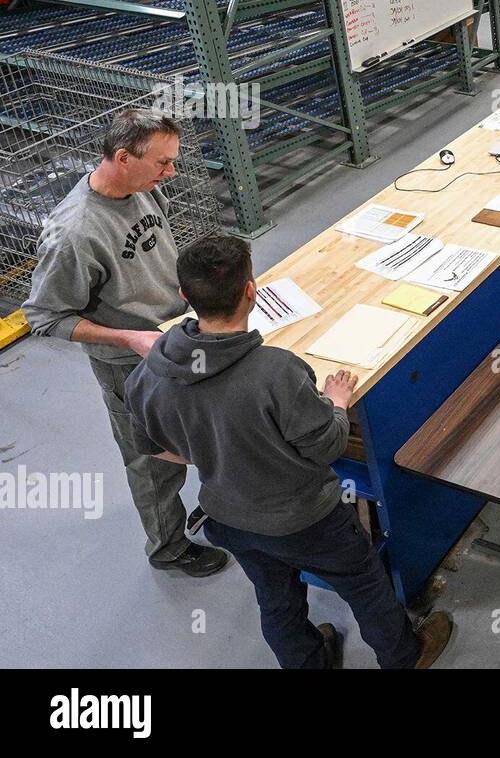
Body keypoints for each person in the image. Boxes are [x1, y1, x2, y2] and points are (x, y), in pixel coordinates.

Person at [124, 235, 453, 669]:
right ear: (250, 290)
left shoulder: (149, 373)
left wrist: (213, 452)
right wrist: (336, 401)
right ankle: (404, 656)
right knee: (365, 586)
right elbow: (328, 446)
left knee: (276, 600)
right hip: (307, 521)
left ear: (184, 295)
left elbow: (153, 447)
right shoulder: (276, 371)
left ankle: (306, 662)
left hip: (228, 518)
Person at [23, 108, 228, 577]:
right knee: (152, 460)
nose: (170, 173)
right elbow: (44, 317)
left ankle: (215, 506)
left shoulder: (143, 186)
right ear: (122, 158)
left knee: (203, 428)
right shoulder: (73, 235)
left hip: (176, 336)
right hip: (129, 364)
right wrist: (128, 336)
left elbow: (157, 248)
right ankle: (169, 548)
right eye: (163, 163)